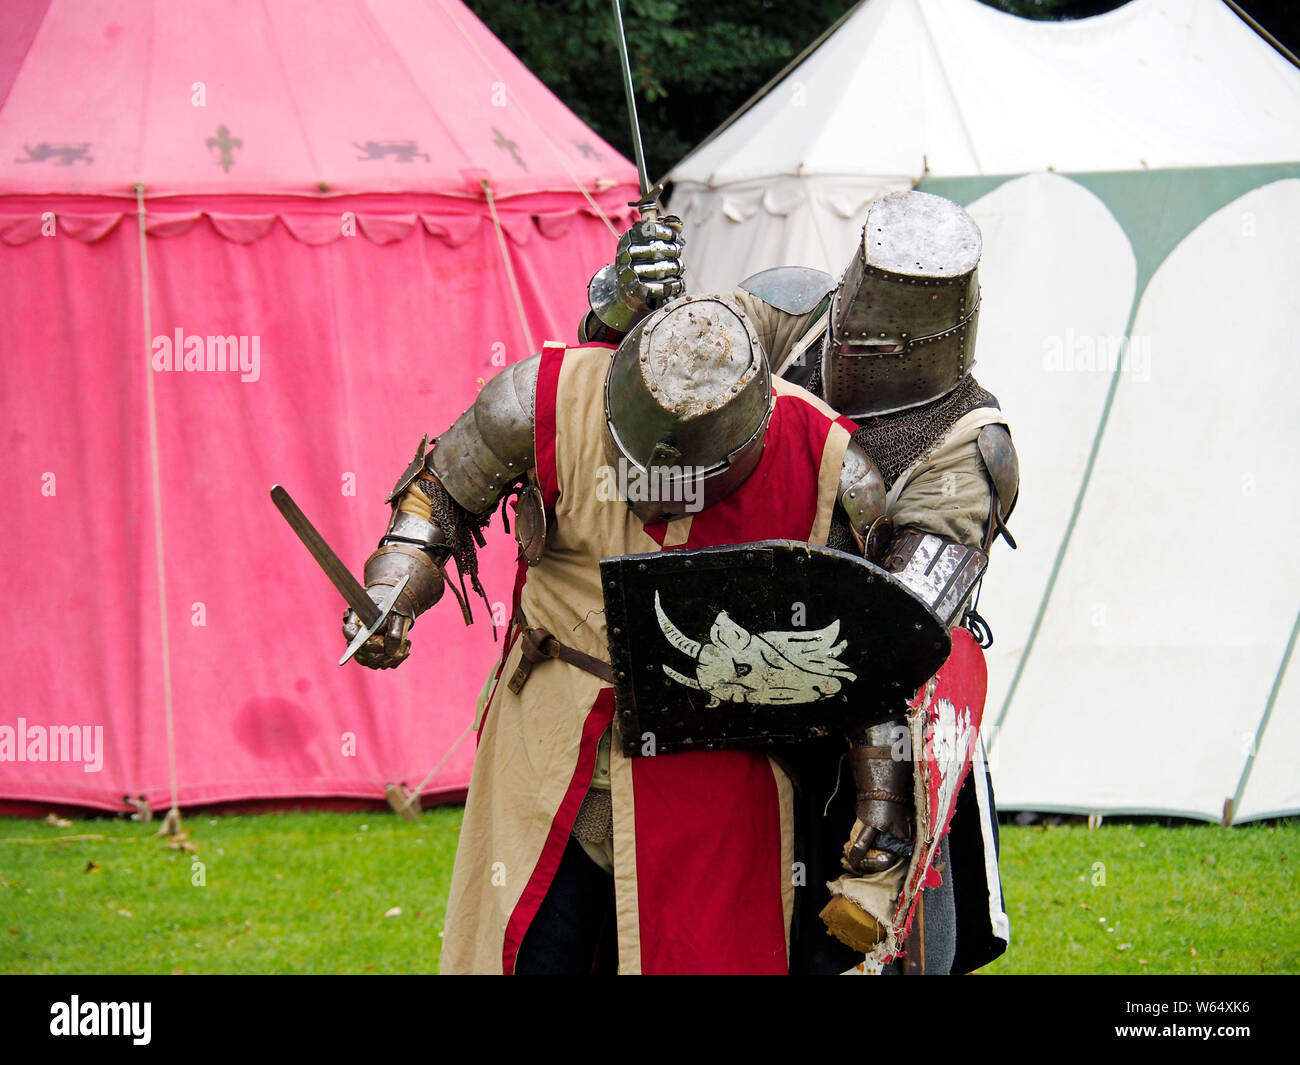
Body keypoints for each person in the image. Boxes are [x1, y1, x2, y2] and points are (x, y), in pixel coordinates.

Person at [341, 292, 934, 974]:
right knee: (522, 953)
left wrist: (880, 818)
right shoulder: (549, 394)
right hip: (547, 748)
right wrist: (393, 589)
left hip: (715, 776)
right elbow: (442, 487)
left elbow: (867, 653)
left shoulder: (828, 464)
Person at [578, 189, 1018, 974]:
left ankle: (882, 883)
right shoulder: (787, 312)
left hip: (870, 746)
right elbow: (665, 372)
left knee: (877, 949)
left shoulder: (968, 448)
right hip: (730, 697)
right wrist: (632, 304)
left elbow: (894, 635)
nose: (857, 337)